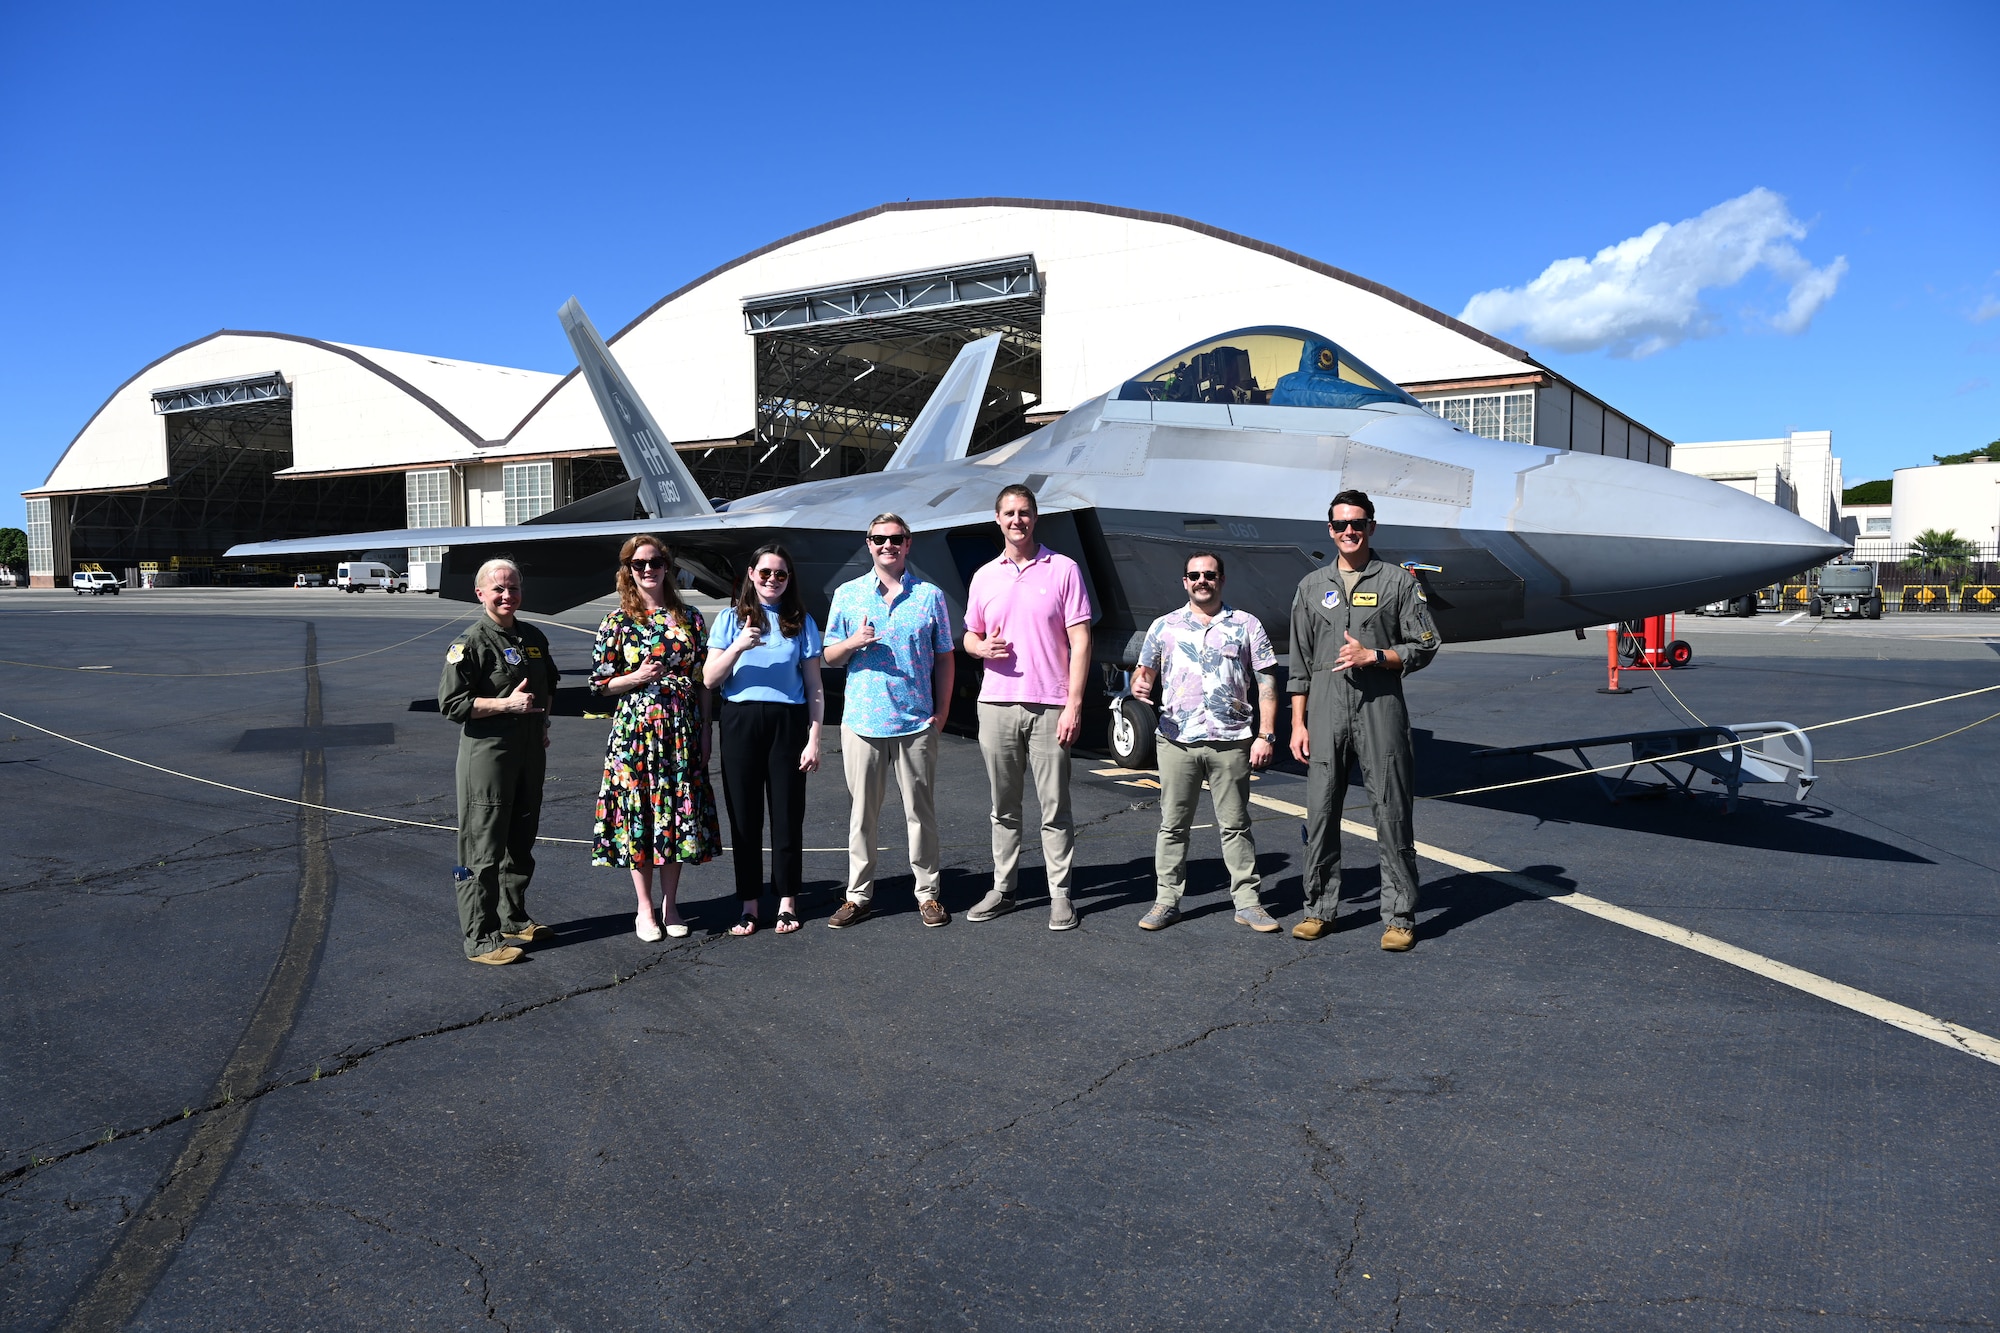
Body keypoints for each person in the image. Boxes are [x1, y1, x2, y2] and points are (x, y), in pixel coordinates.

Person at [1287, 489, 1441, 950]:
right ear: (1329, 530)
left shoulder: (1397, 583)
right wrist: (1299, 723)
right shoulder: (1311, 587)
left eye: (1357, 524)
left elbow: (1427, 643)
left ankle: (1399, 917)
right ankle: (1318, 908)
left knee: (1391, 812)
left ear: (1371, 526)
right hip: (1326, 712)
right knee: (1320, 813)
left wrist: (1375, 655)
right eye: (1340, 525)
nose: (1349, 532)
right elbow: (1300, 663)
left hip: (1379, 710)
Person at [962, 484, 1093, 929]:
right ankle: (1004, 888)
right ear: (997, 519)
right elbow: (969, 636)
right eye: (1009, 513)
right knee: (1004, 806)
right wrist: (980, 649)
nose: (1016, 520)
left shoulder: (1063, 570)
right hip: (996, 704)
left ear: (1035, 518)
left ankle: (1060, 895)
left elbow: (1081, 640)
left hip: (1050, 705)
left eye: (1024, 512)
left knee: (1054, 807)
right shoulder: (984, 576)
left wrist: (1074, 704)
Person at [1130, 552, 1282, 933]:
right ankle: (1166, 902)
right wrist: (1139, 682)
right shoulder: (1164, 626)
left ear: (1221, 579)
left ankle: (1248, 904)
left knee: (1235, 825)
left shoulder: (1246, 624)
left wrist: (1266, 735)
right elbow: (1144, 671)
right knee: (1173, 825)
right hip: (1177, 740)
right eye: (1194, 575)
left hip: (1231, 741)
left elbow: (1267, 683)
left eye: (1209, 575)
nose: (1202, 580)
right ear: (1185, 581)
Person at [822, 513, 957, 929]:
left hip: (916, 723)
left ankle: (928, 894)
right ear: (868, 544)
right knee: (862, 815)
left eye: (896, 539)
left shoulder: (930, 596)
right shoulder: (847, 594)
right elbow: (828, 656)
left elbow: (945, 657)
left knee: (921, 813)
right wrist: (853, 642)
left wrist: (942, 713)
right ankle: (858, 896)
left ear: (908, 544)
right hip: (863, 722)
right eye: (879, 538)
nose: (888, 545)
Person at [588, 534, 723, 941]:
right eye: (639, 564)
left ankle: (671, 903)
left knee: (675, 815)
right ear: (628, 571)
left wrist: (705, 732)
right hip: (634, 735)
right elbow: (599, 684)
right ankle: (644, 909)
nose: (648, 569)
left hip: (680, 733)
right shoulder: (617, 621)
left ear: (668, 566)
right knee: (640, 817)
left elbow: (703, 681)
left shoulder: (690, 618)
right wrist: (635, 678)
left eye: (656, 562)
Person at [437, 558, 560, 965]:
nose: (507, 596)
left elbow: (550, 683)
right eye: (498, 590)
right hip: (488, 757)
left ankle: (512, 917)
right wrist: (505, 704)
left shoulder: (532, 637)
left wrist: (542, 722)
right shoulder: (470, 643)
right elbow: (452, 703)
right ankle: (480, 936)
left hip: (528, 754)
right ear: (481, 595)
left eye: (514, 588)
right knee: (483, 847)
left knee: (521, 841)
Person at [704, 542, 824, 936]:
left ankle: (787, 900)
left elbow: (814, 685)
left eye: (781, 574)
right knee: (745, 816)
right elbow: (709, 679)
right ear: (751, 576)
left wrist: (815, 737)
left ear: (790, 580)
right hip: (740, 719)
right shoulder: (728, 619)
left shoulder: (800, 622)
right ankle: (750, 903)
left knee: (788, 813)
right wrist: (739, 644)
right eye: (766, 572)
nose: (773, 579)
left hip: (787, 721)